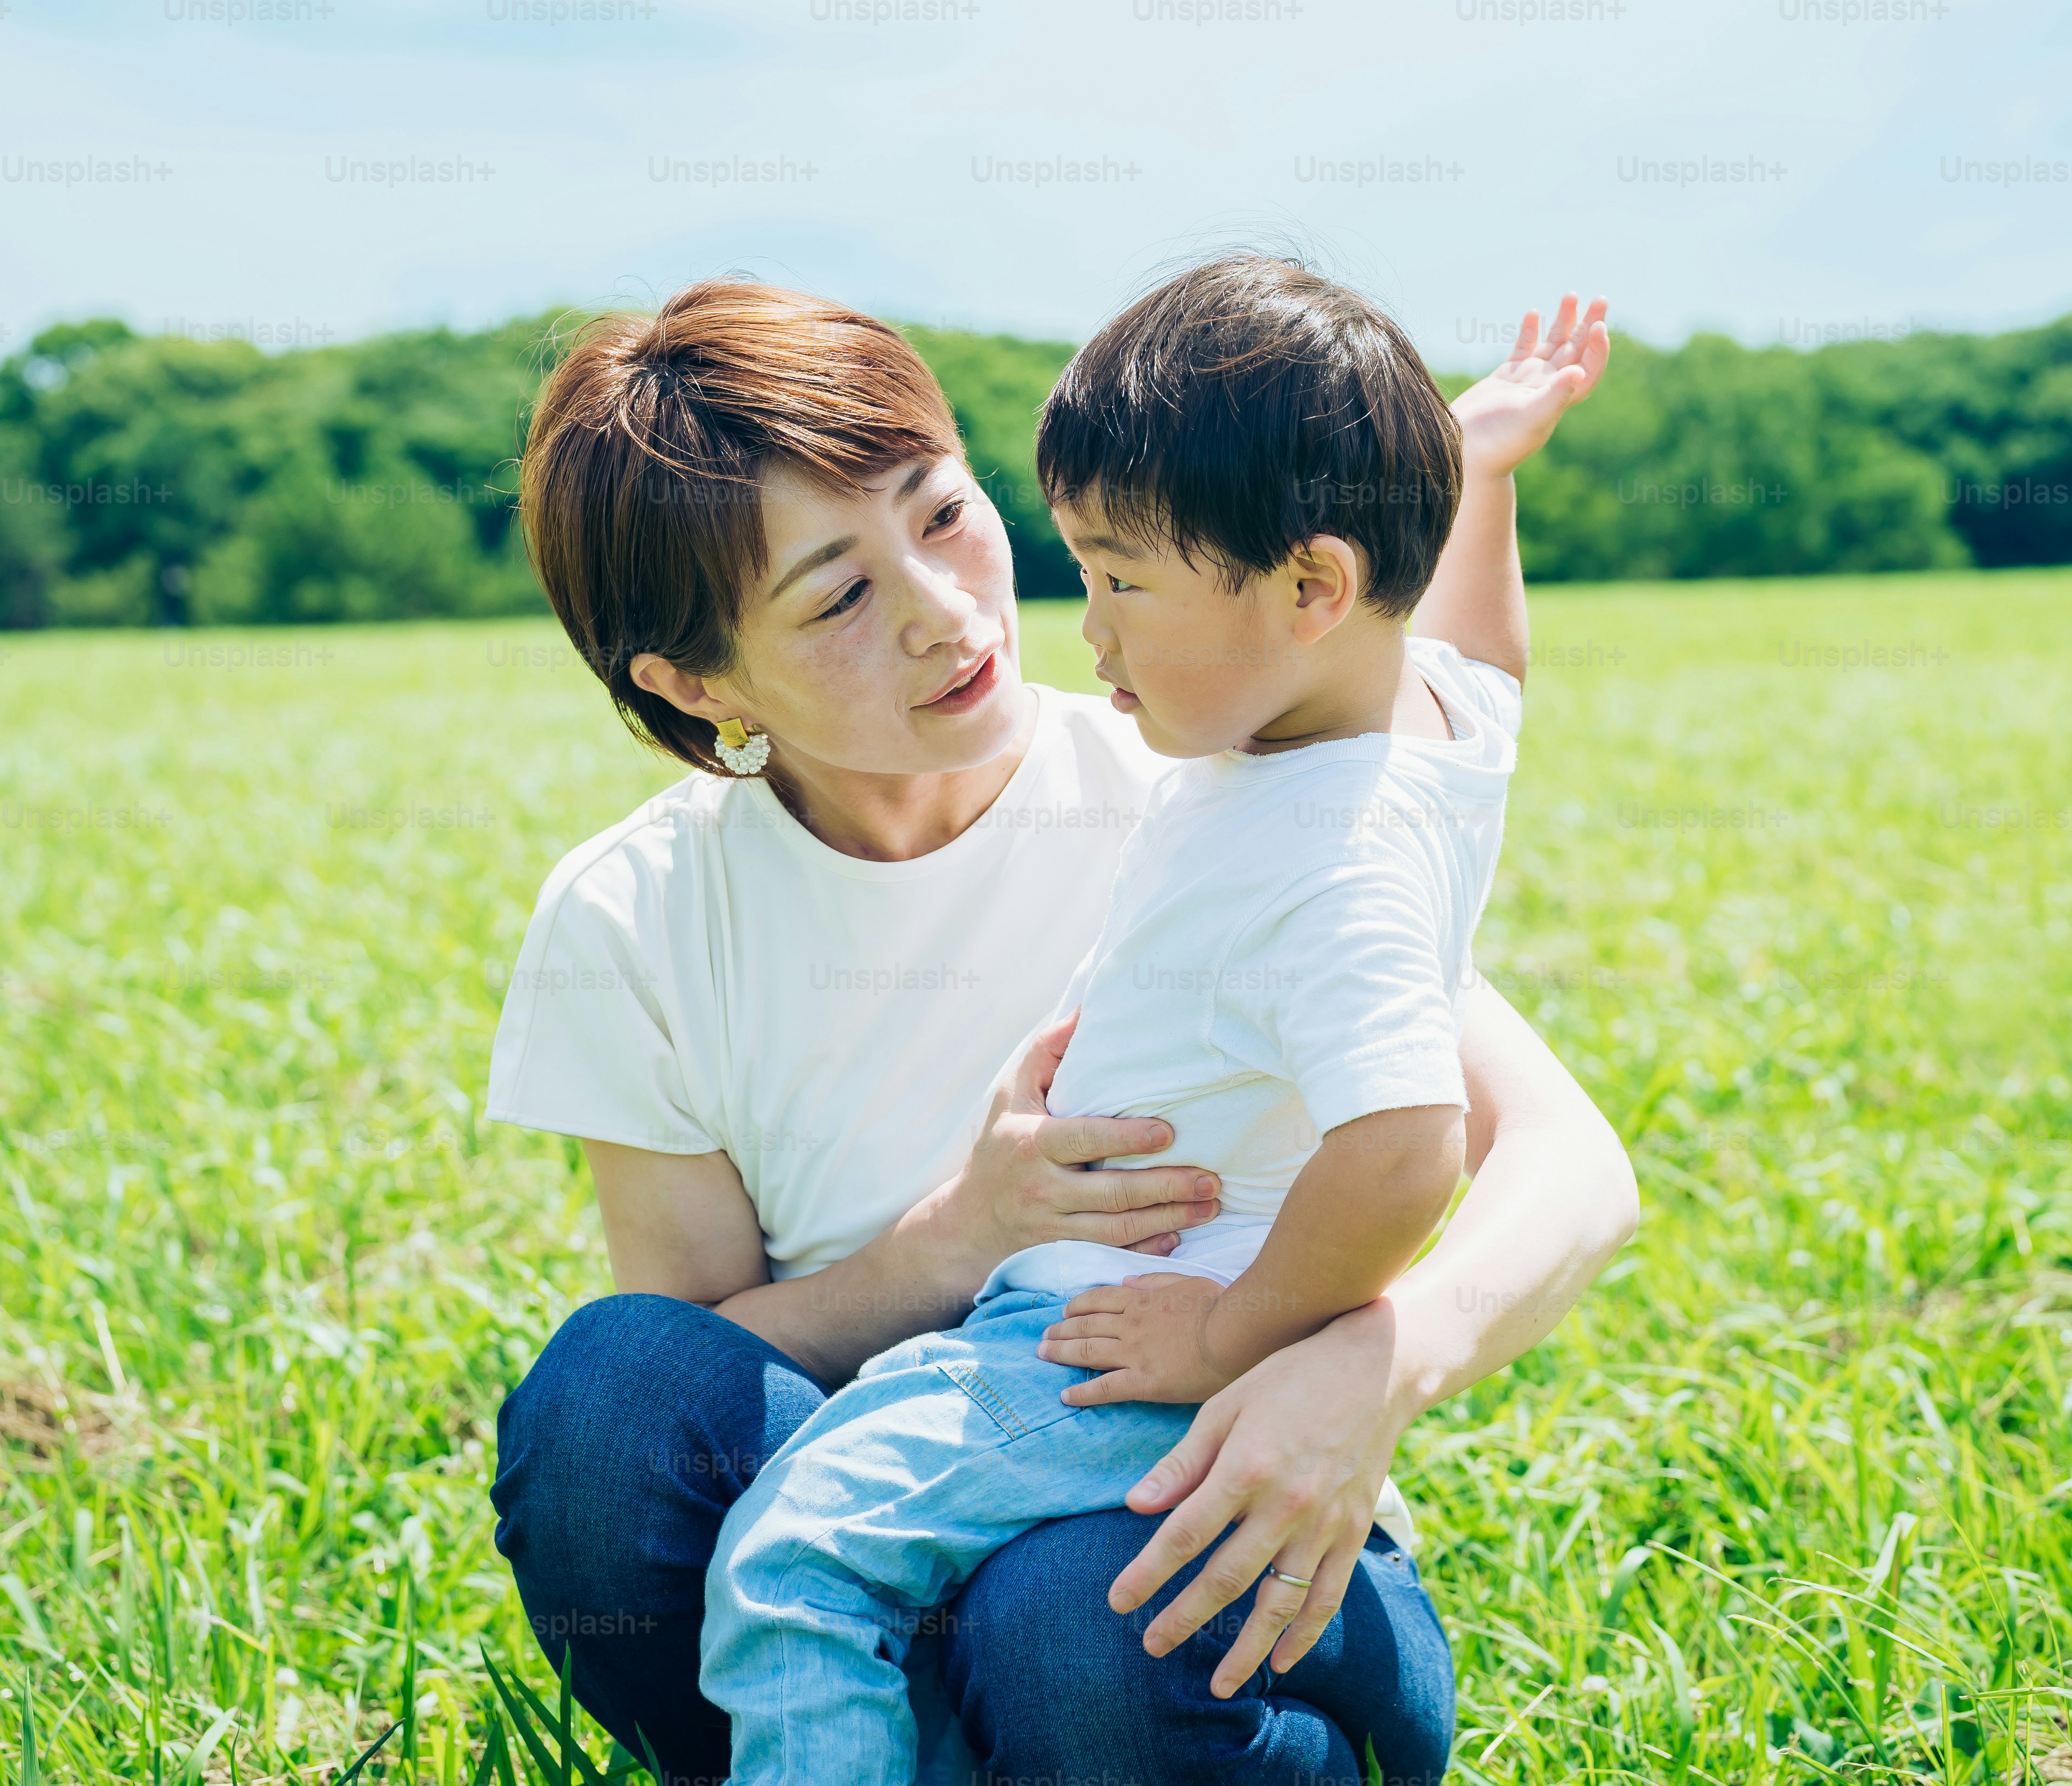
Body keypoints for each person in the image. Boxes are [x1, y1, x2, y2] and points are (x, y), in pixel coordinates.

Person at [486, 271, 1638, 1785]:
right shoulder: (635, 914)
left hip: (1192, 1546)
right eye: (838, 595)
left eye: (945, 513)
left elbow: (1564, 1162)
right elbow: (699, 1376)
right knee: (613, 1395)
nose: (946, 611)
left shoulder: (1220, 774)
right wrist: (950, 1247)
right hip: (893, 1495)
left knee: (1075, 1616)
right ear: (699, 682)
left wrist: (1363, 1363)